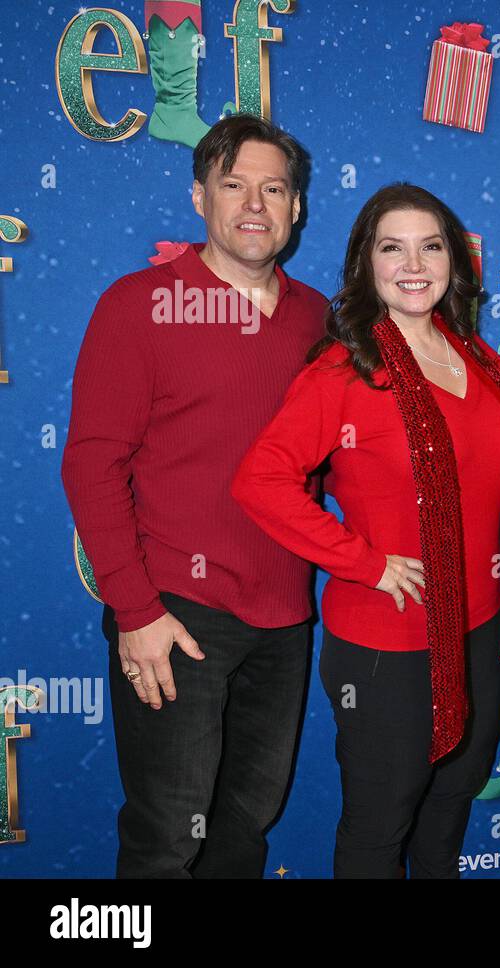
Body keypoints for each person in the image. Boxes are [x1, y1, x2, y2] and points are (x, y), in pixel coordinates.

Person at [231, 183, 500, 878]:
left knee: (448, 810)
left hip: (481, 626)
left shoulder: (479, 361)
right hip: (388, 641)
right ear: (365, 264)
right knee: (381, 826)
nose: (413, 263)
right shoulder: (345, 369)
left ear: (453, 262)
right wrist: (364, 563)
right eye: (391, 247)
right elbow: (260, 482)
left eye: (430, 246)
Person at [62, 115, 326, 878]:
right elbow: (91, 465)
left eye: (273, 188)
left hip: (284, 617)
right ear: (199, 198)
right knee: (166, 841)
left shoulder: (317, 319)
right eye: (234, 185)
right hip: (174, 613)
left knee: (243, 829)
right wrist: (137, 613)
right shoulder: (140, 303)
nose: (255, 204)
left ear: (296, 207)